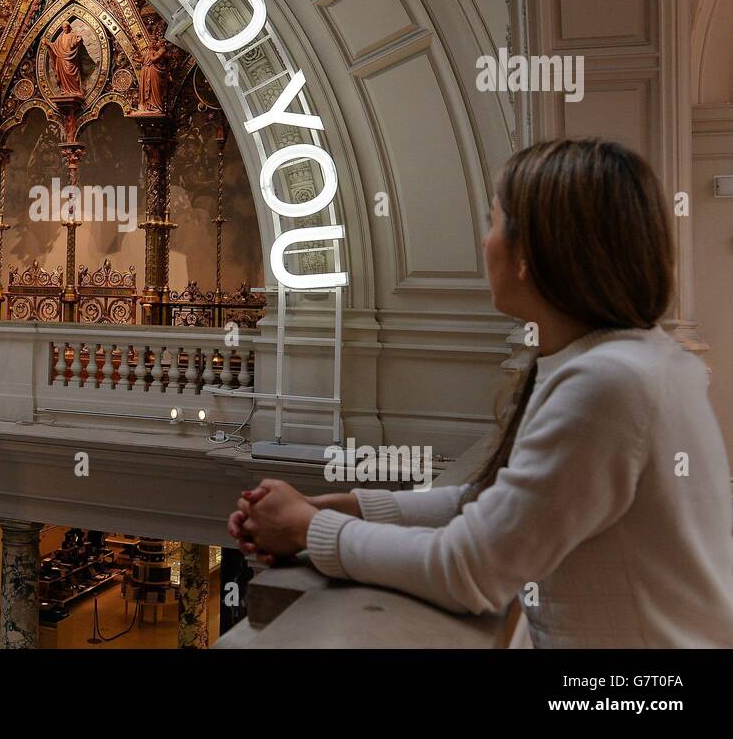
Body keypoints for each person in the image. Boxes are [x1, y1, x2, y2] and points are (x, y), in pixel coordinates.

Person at [228, 138, 733, 647]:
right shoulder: (635, 360)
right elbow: (493, 503)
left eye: (493, 222)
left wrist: (308, 531)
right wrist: (345, 507)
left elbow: (469, 571)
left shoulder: (607, 385)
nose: (484, 241)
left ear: (530, 254)